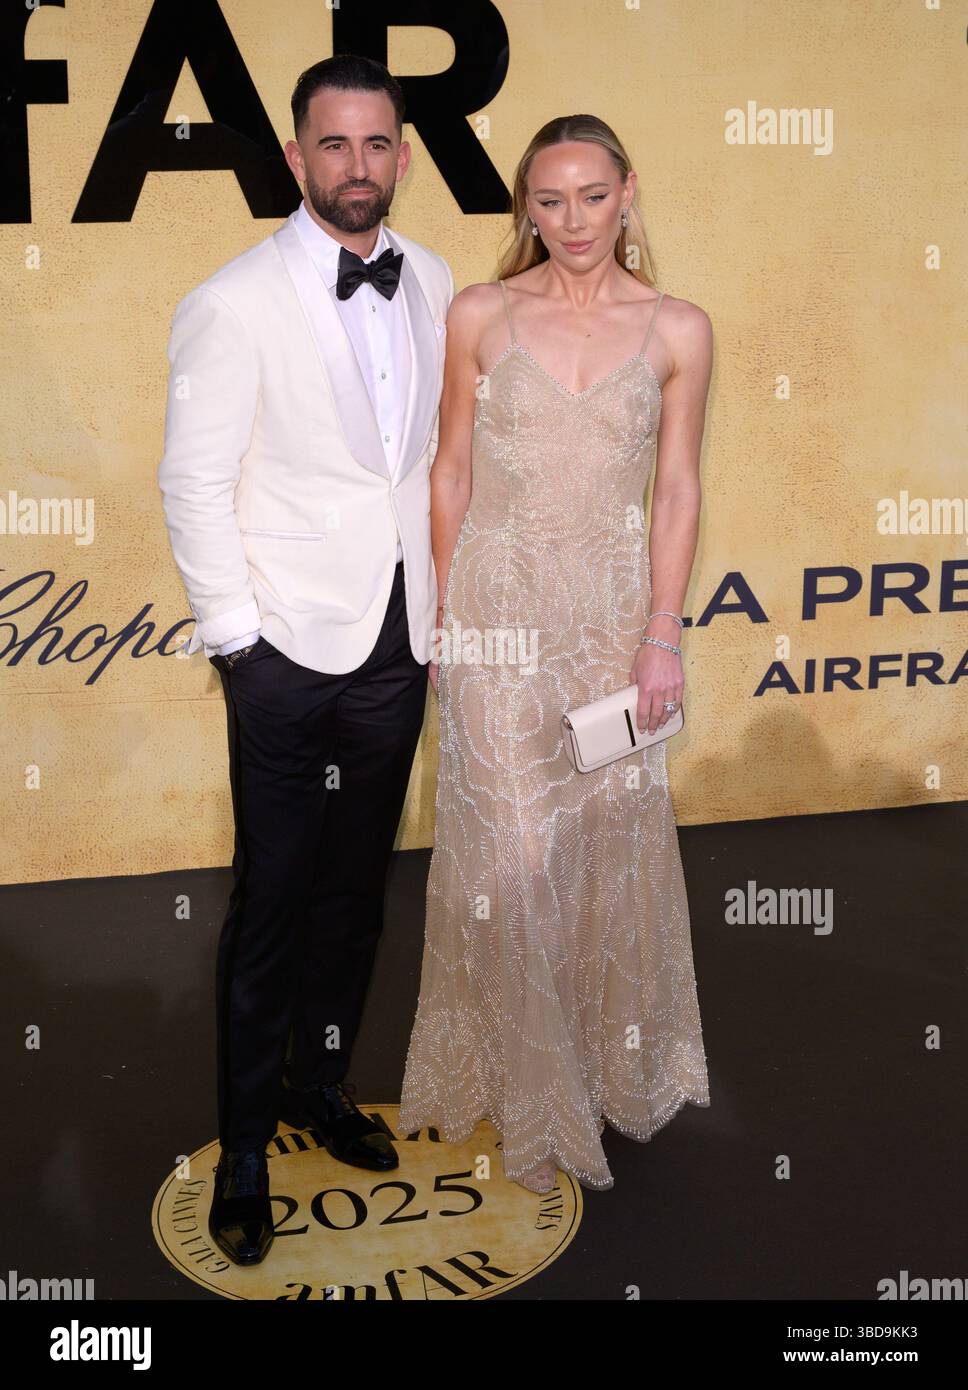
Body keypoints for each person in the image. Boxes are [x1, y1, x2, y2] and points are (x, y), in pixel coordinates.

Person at [157, 55, 453, 1264]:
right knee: (272, 901)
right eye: (332, 146)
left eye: (376, 144)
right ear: (294, 159)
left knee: (355, 894)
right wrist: (238, 644)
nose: (357, 167)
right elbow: (190, 480)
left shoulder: (429, 276)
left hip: (397, 640)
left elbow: (426, 463)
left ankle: (319, 1088)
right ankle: (238, 1145)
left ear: (400, 152)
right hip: (282, 649)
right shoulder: (232, 300)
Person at [398, 114, 712, 1193]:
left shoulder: (677, 328)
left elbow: (675, 490)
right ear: (522, 208)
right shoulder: (480, 314)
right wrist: (440, 617)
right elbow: (447, 474)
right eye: (547, 199)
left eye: (589, 194)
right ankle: (532, 1093)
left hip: (610, 624)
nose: (569, 220)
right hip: (495, 610)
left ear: (626, 191)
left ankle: (591, 1066)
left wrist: (660, 633)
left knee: (598, 845)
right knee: (509, 854)